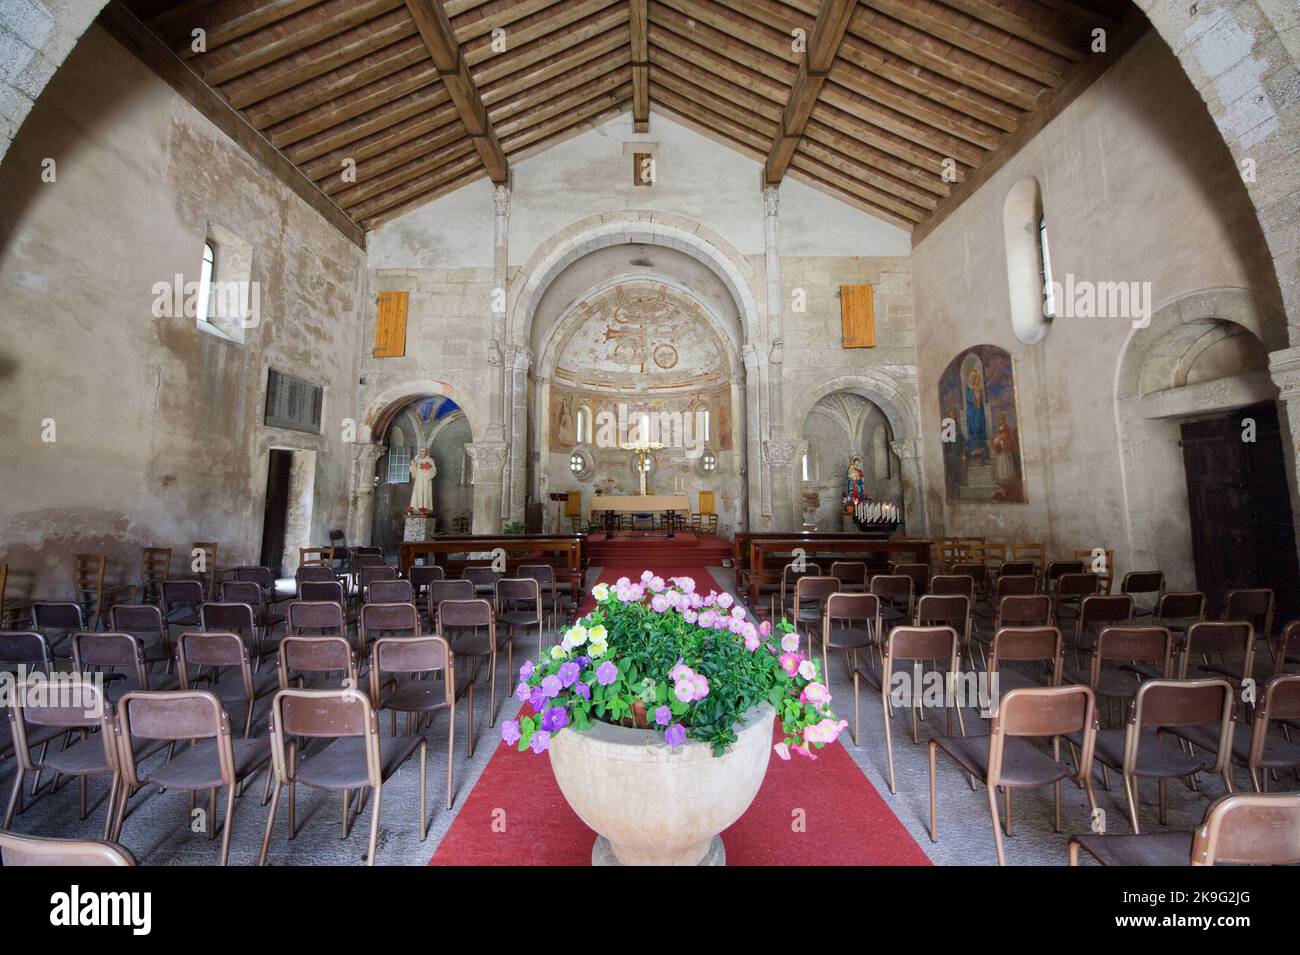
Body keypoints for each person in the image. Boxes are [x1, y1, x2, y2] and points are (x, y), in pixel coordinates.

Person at [408, 447, 437, 513]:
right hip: (418, 481)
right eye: (421, 451)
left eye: (424, 451)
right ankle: (417, 509)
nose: (422, 453)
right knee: (417, 493)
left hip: (426, 481)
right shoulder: (417, 460)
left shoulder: (430, 460)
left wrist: (427, 470)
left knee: (425, 493)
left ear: (426, 452)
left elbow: (434, 471)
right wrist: (413, 466)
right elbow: (413, 472)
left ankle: (424, 509)